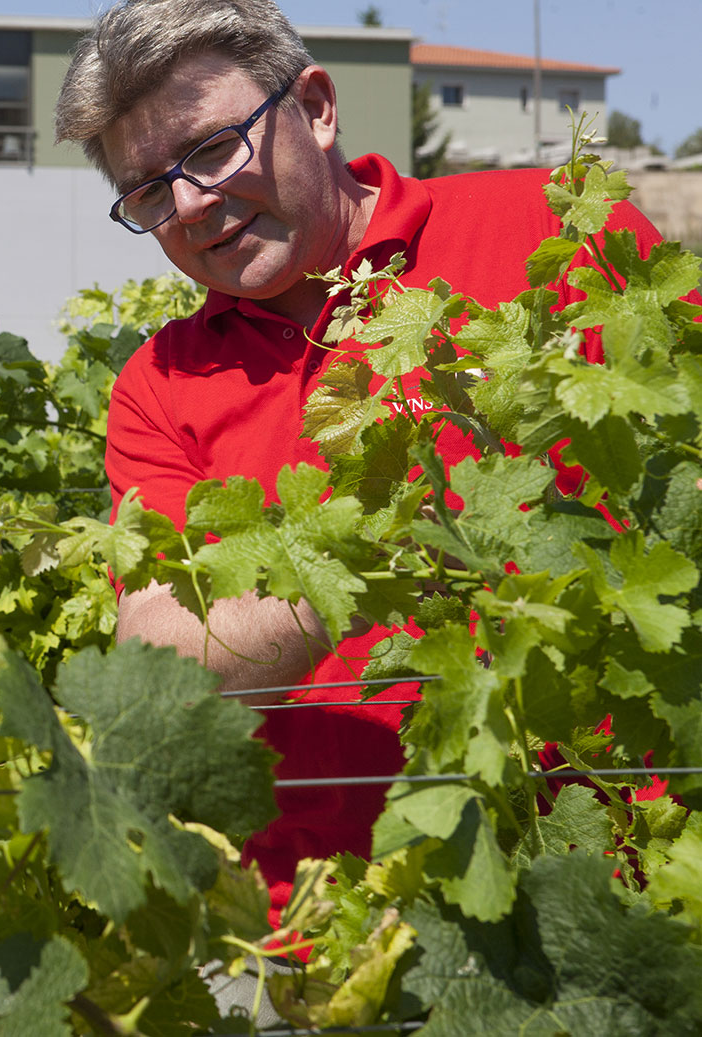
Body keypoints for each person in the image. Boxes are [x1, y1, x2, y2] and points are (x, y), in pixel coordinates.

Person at [53, 0, 667, 928]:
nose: (190, 204)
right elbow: (164, 663)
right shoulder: (159, 384)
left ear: (315, 107)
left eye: (212, 149)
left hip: (615, 879)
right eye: (148, 192)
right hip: (321, 928)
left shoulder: (549, 232)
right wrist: (385, 543)